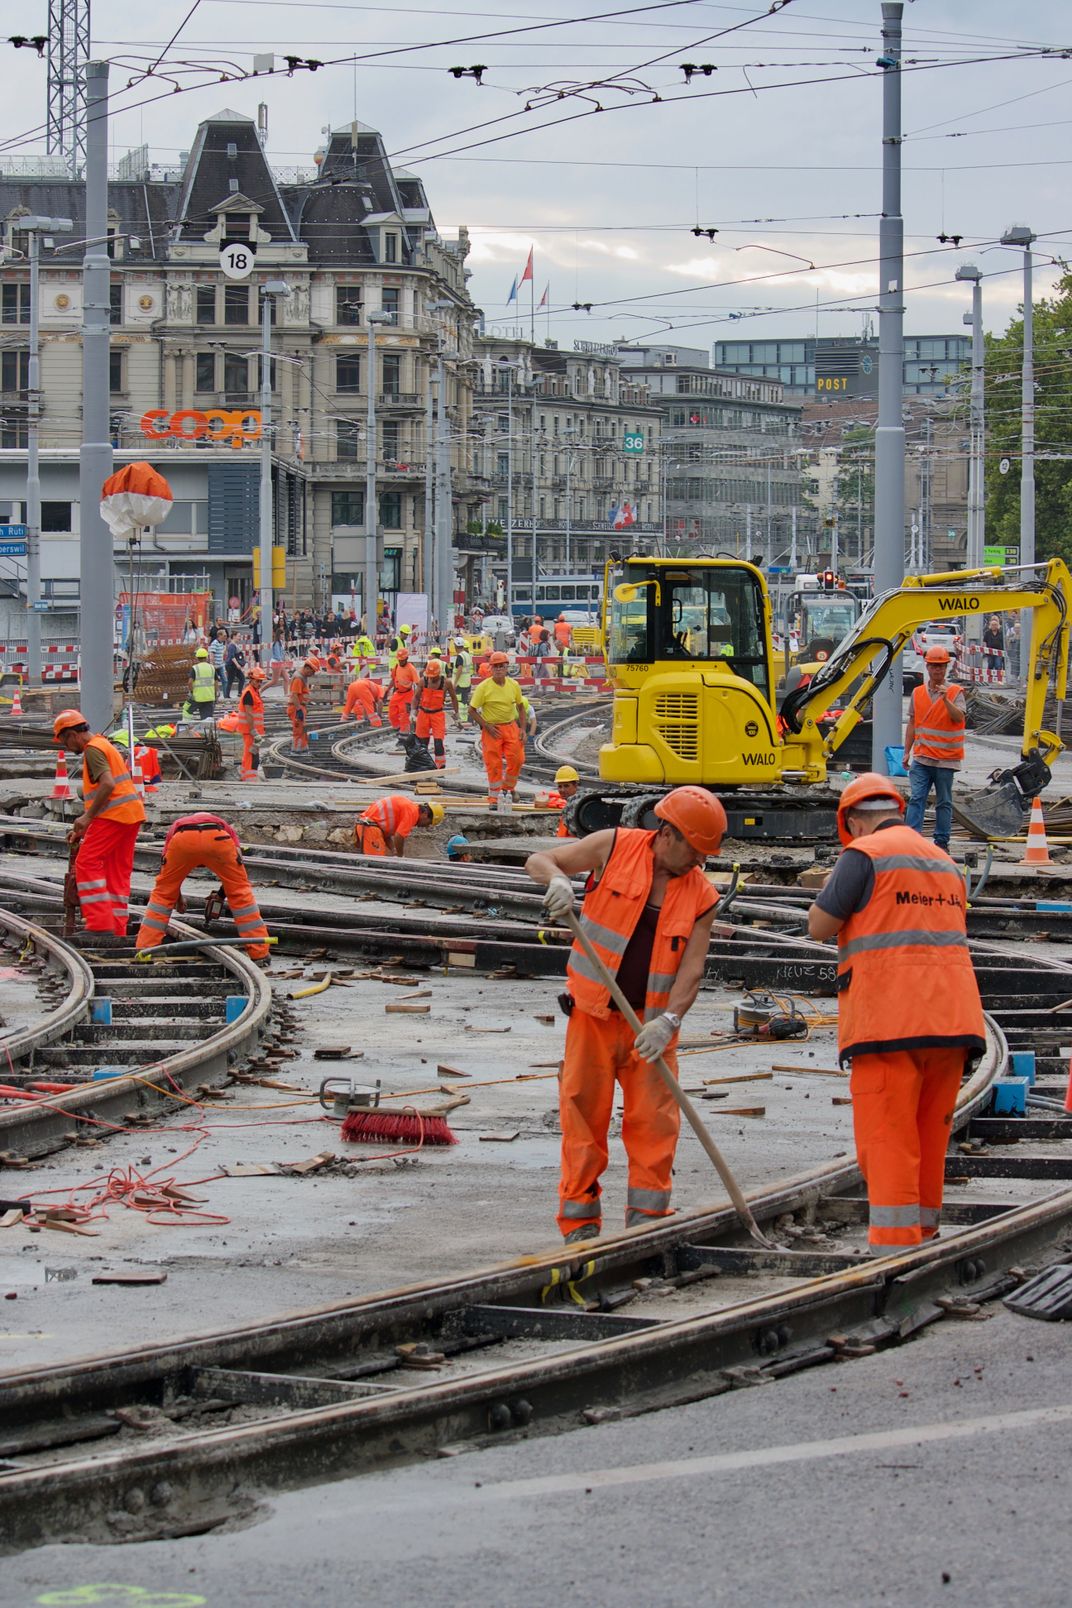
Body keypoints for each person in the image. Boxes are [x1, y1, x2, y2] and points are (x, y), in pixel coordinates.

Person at [525, 787, 724, 1241]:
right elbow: (541, 859)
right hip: (592, 1017)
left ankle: (646, 1228)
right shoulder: (613, 846)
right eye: (694, 850)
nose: (699, 862)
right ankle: (579, 1225)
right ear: (667, 833)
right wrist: (556, 881)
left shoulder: (702, 896)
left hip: (651, 1028)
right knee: (582, 1122)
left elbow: (691, 971)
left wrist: (669, 1022)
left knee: (655, 1130)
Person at [806, 774, 986, 1254]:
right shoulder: (945, 863)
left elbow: (819, 927)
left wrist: (827, 890)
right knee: (929, 1138)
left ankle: (892, 1250)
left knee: (887, 1141)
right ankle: (924, 1235)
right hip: (952, 1021)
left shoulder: (863, 856)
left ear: (852, 821)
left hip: (888, 1021)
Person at [53, 709, 146, 938]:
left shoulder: (92, 750)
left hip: (113, 816)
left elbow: (107, 785)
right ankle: (116, 927)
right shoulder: (104, 744)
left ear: (73, 734)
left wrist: (86, 818)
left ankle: (99, 924)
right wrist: (86, 827)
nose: (66, 746)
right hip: (130, 815)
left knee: (87, 862)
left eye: (64, 740)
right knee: (117, 872)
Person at [135, 812, 270, 963]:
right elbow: (234, 875)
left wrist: (177, 899)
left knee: (162, 894)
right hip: (218, 838)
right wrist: (222, 895)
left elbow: (168, 878)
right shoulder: (224, 826)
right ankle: (259, 953)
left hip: (183, 839)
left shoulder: (176, 825)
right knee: (240, 892)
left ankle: (146, 949)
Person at [903, 645, 965, 853]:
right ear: (927, 668)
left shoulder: (955, 692)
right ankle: (912, 840)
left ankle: (941, 842)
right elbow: (912, 723)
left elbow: (959, 717)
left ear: (946, 668)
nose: (937, 671)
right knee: (916, 798)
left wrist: (945, 699)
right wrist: (906, 751)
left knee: (944, 802)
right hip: (922, 758)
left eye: (941, 667)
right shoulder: (918, 693)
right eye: (934, 667)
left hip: (946, 760)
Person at [469, 650, 525, 809]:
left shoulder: (513, 685)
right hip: (492, 730)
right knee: (493, 764)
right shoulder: (484, 687)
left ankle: (507, 789)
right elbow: (472, 710)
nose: (499, 669)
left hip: (510, 726)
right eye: (495, 666)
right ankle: (494, 799)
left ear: (507, 667)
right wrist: (486, 725)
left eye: (502, 666)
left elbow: (521, 707)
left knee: (517, 759)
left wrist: (522, 729)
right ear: (491, 668)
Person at [355, 796, 444, 857]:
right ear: (425, 814)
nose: (426, 826)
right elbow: (399, 836)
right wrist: (400, 856)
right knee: (375, 864)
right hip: (370, 828)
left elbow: (386, 833)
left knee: (372, 863)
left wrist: (394, 850)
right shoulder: (412, 813)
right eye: (428, 823)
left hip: (366, 826)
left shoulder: (409, 808)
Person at [413, 657, 459, 769]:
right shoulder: (423, 681)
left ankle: (440, 766)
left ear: (439, 674)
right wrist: (413, 712)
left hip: (437, 715)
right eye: (430, 676)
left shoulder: (446, 683)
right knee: (422, 743)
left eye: (434, 677)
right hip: (423, 714)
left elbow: (454, 698)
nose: (431, 679)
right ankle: (424, 765)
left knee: (438, 742)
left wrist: (456, 714)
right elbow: (416, 697)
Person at [237, 665, 266, 780]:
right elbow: (249, 714)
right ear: (252, 680)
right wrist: (253, 731)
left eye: (261, 682)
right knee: (249, 754)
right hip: (250, 731)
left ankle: (251, 776)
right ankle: (248, 778)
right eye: (257, 681)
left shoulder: (254, 692)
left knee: (254, 754)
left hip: (253, 731)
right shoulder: (249, 693)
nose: (259, 684)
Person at [387, 646, 420, 739]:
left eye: (402, 660)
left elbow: (417, 683)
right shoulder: (397, 667)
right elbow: (393, 679)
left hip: (407, 694)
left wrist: (419, 697)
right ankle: (399, 732)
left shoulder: (411, 668)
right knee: (392, 713)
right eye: (399, 660)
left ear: (406, 658)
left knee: (405, 716)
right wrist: (388, 690)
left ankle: (403, 738)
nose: (401, 662)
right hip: (397, 693)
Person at [287, 659, 317, 752]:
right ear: (307, 668)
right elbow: (295, 695)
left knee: (302, 730)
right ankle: (296, 751)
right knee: (299, 731)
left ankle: (303, 750)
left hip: (299, 706)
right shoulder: (298, 678)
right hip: (296, 708)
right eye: (312, 671)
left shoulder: (302, 677)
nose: (313, 674)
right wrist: (299, 709)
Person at [550, 764, 580, 838]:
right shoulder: (567, 804)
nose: (562, 790)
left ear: (575, 785)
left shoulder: (578, 806)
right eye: (560, 786)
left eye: (566, 786)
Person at [187, 646, 216, 720]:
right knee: (207, 719)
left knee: (186, 712)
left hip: (197, 698)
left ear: (197, 658)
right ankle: (205, 730)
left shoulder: (195, 668)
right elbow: (216, 682)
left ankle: (185, 728)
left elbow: (190, 682)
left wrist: (191, 692)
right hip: (209, 697)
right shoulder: (212, 668)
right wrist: (216, 693)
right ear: (206, 657)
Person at [451, 634, 473, 723]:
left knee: (460, 701)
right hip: (467, 682)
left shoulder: (460, 656)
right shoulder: (467, 655)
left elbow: (459, 669)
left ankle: (462, 719)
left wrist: (455, 683)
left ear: (456, 646)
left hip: (460, 683)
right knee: (464, 701)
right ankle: (465, 718)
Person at [222, 633, 246, 700]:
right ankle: (227, 696)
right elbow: (232, 657)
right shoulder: (232, 645)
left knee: (242, 678)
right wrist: (237, 665)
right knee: (230, 680)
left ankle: (239, 693)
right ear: (234, 636)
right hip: (231, 665)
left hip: (234, 665)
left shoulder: (234, 645)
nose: (239, 638)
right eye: (238, 636)